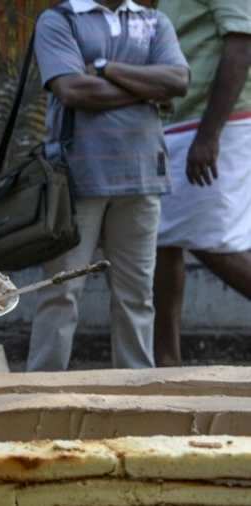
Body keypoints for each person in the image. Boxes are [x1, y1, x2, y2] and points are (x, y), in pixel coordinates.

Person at [27, 0, 189, 371]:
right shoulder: (60, 19)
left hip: (143, 177)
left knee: (137, 296)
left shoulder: (153, 21)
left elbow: (178, 81)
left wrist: (105, 68)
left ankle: (137, 392)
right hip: (76, 181)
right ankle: (41, 388)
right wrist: (147, 88)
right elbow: (73, 91)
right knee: (62, 291)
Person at [154, 1, 251, 367]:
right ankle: (166, 362)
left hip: (213, 124)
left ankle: (166, 358)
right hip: (176, 122)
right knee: (162, 239)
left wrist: (209, 135)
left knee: (214, 243)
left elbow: (242, 46)